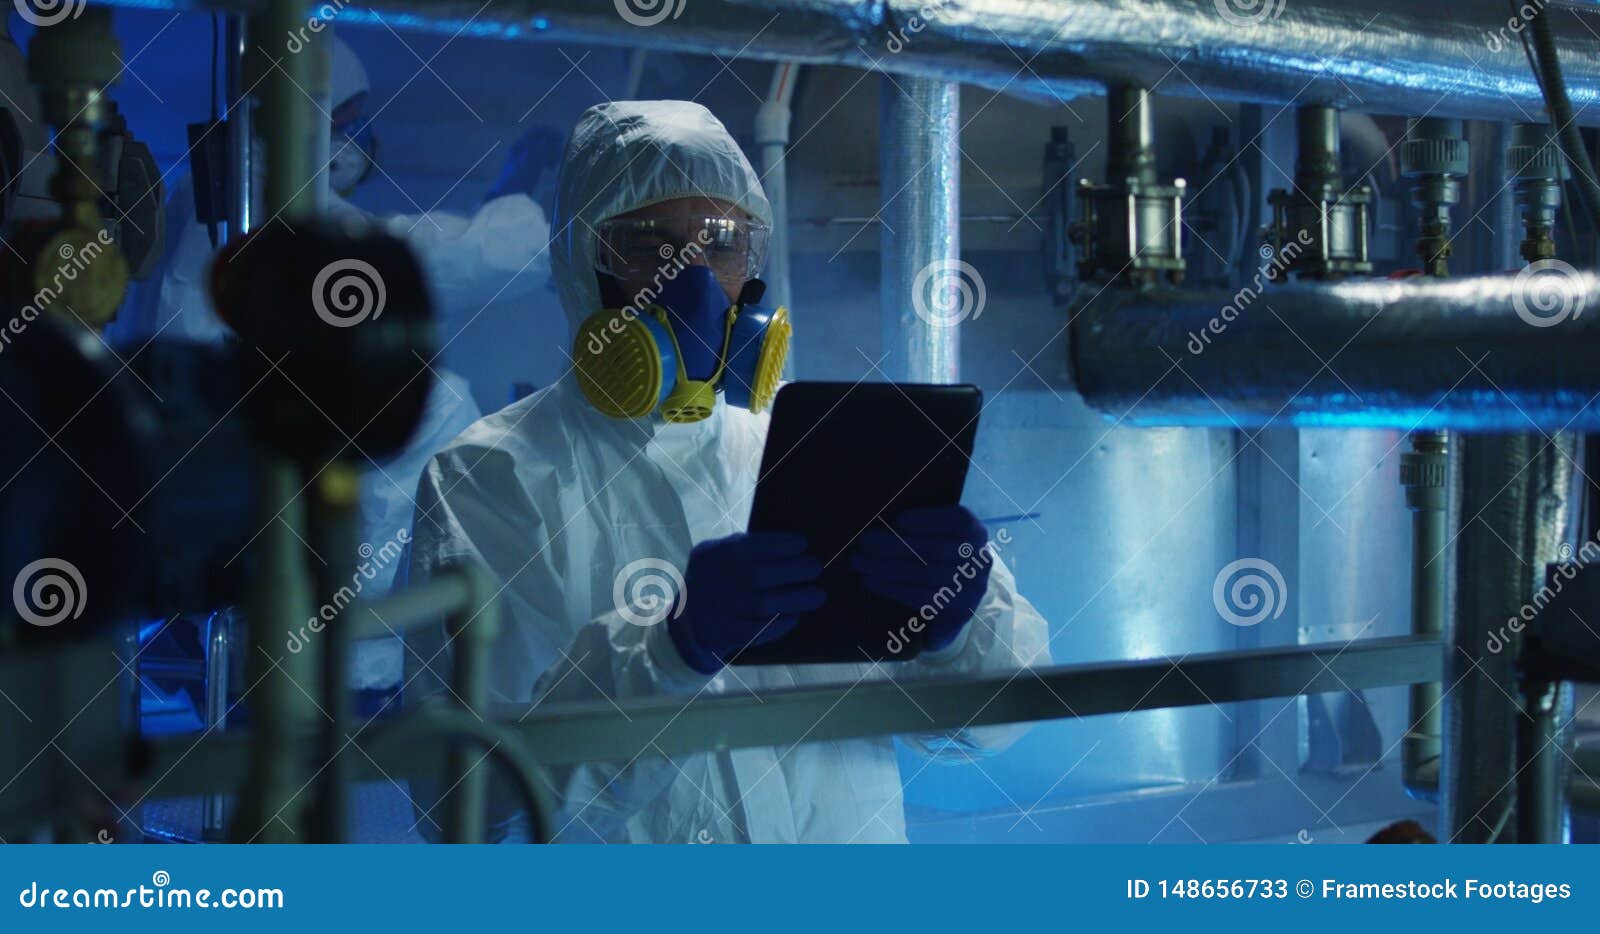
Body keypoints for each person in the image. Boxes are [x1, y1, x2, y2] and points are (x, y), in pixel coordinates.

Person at [406, 100, 1048, 843]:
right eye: (648, 244)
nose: (694, 280)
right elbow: (464, 804)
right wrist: (669, 648)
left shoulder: (812, 448)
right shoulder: (491, 476)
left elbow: (996, 727)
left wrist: (959, 628)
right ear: (581, 261)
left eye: (722, 242)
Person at [122, 35, 555, 690]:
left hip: (220, 577)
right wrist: (523, 207)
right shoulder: (271, 209)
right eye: (347, 122)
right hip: (315, 644)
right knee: (438, 408)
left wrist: (507, 202)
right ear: (307, 119)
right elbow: (429, 259)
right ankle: (354, 659)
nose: (361, 140)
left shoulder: (216, 192)